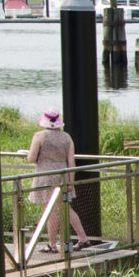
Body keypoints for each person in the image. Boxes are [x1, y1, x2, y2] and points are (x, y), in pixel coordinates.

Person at [26, 108, 89, 253]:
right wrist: (71, 181)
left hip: (45, 176)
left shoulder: (39, 136)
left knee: (50, 210)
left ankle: (52, 244)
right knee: (66, 208)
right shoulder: (66, 137)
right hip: (62, 175)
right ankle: (83, 238)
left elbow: (31, 158)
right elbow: (71, 162)